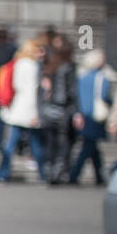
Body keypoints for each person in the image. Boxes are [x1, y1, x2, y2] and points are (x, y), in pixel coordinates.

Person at [0, 39, 47, 182]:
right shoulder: (32, 65)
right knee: (36, 143)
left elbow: (16, 85)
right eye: (39, 49)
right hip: (27, 111)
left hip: (16, 109)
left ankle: (3, 174)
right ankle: (43, 174)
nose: (42, 53)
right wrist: (34, 114)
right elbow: (31, 91)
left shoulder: (18, 62)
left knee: (10, 144)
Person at [70, 50, 112, 185]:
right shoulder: (102, 78)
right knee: (88, 147)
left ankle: (99, 176)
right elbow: (105, 96)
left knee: (92, 147)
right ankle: (74, 175)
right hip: (95, 116)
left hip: (83, 114)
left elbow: (76, 97)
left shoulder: (81, 77)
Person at [40, 42, 77, 185]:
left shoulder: (49, 68)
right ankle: (57, 172)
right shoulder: (68, 68)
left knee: (50, 142)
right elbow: (72, 91)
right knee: (63, 143)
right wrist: (76, 111)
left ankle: (49, 172)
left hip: (48, 109)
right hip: (62, 110)